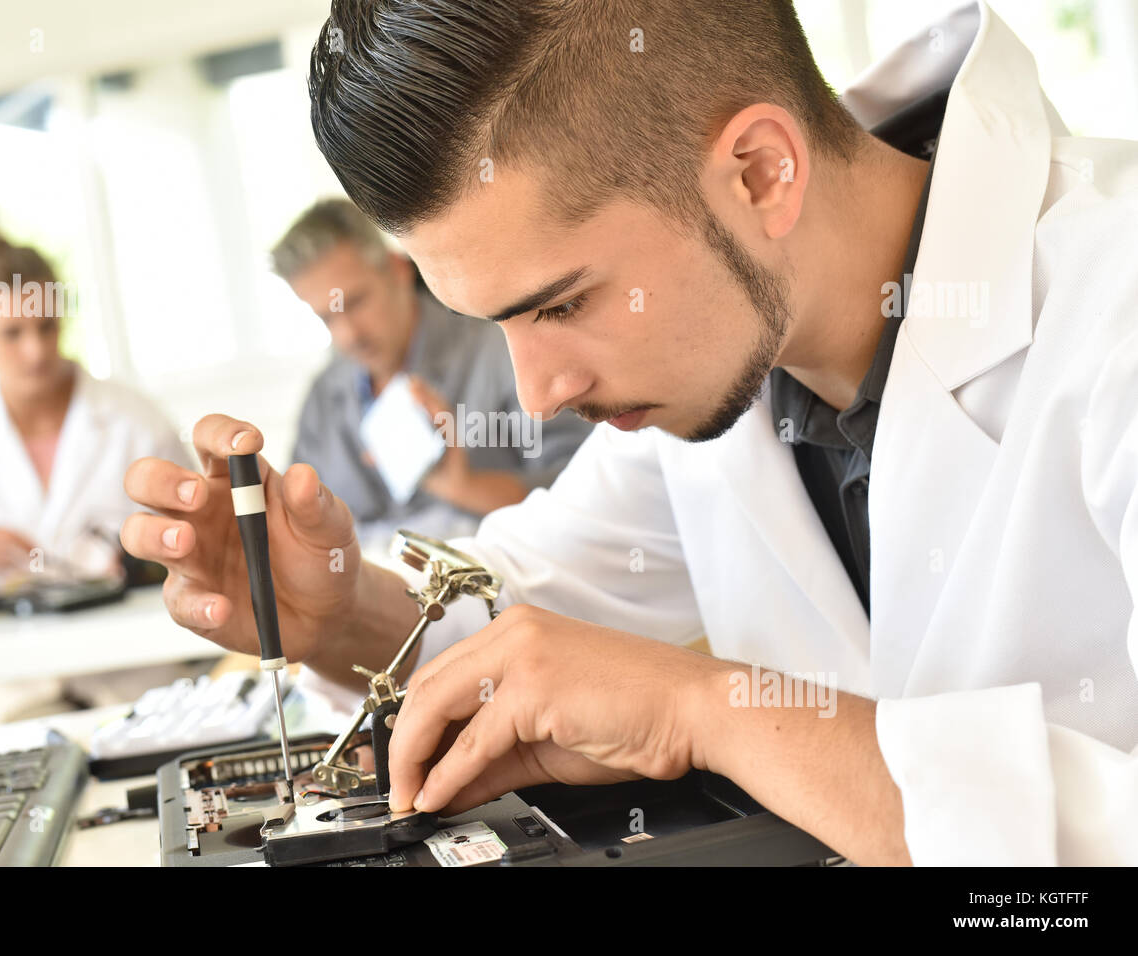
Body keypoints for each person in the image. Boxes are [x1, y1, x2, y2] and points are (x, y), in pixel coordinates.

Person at [121, 0, 1138, 865]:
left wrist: (706, 708)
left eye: (561, 305)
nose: (534, 396)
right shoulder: (719, 366)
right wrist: (335, 610)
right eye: (497, 322)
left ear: (758, 173)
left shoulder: (1113, 298)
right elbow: (522, 623)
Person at [273, 198, 592, 552]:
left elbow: (586, 495)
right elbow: (299, 526)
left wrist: (465, 486)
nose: (349, 334)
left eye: (357, 301)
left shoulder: (501, 351)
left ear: (398, 270)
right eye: (327, 318)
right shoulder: (322, 399)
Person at [0, 226, 190, 594]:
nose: (36, 351)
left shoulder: (138, 422)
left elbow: (199, 546)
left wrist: (143, 565)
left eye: (46, 327)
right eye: (12, 333)